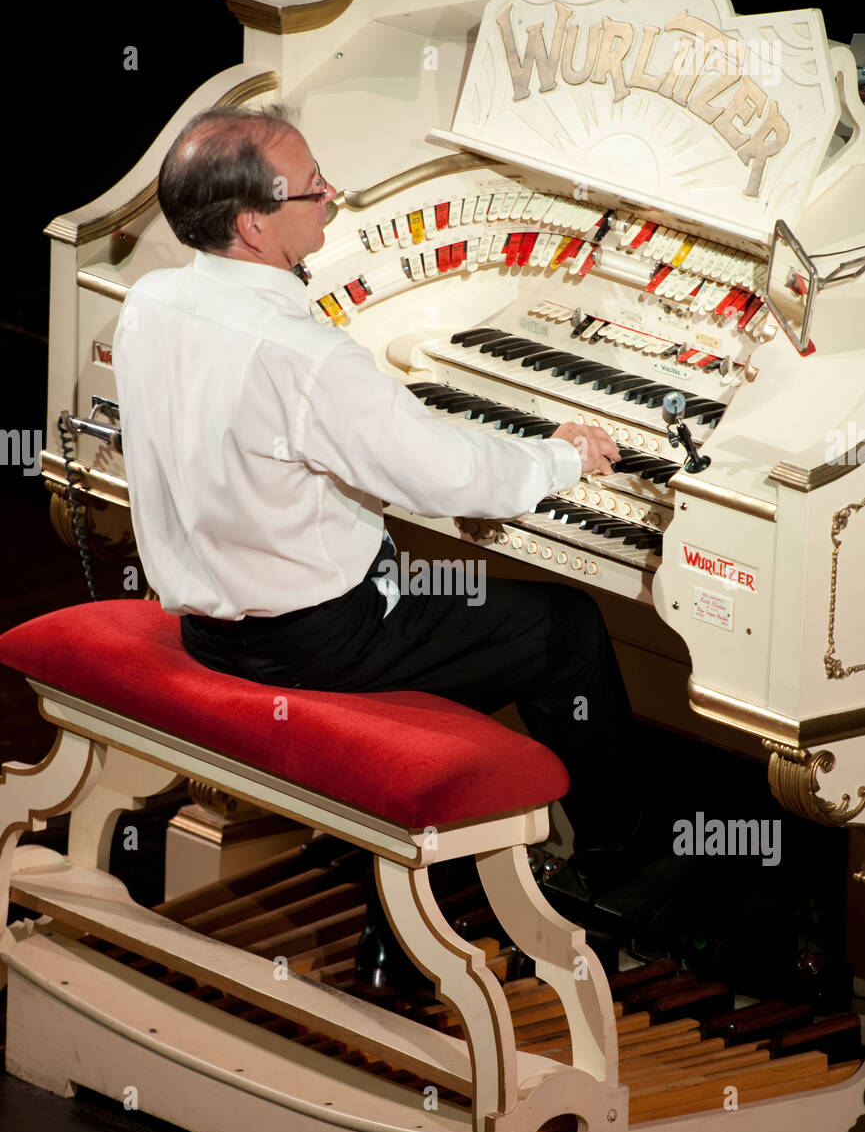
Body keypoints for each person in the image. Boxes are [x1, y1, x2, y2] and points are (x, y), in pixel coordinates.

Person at [113, 105, 642, 928]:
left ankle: (450, 842)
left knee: (450, 585)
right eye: (314, 188)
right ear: (253, 226)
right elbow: (444, 476)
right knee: (564, 626)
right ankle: (616, 869)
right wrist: (559, 455)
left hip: (205, 625)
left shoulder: (149, 300)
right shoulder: (305, 354)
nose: (333, 196)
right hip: (316, 644)